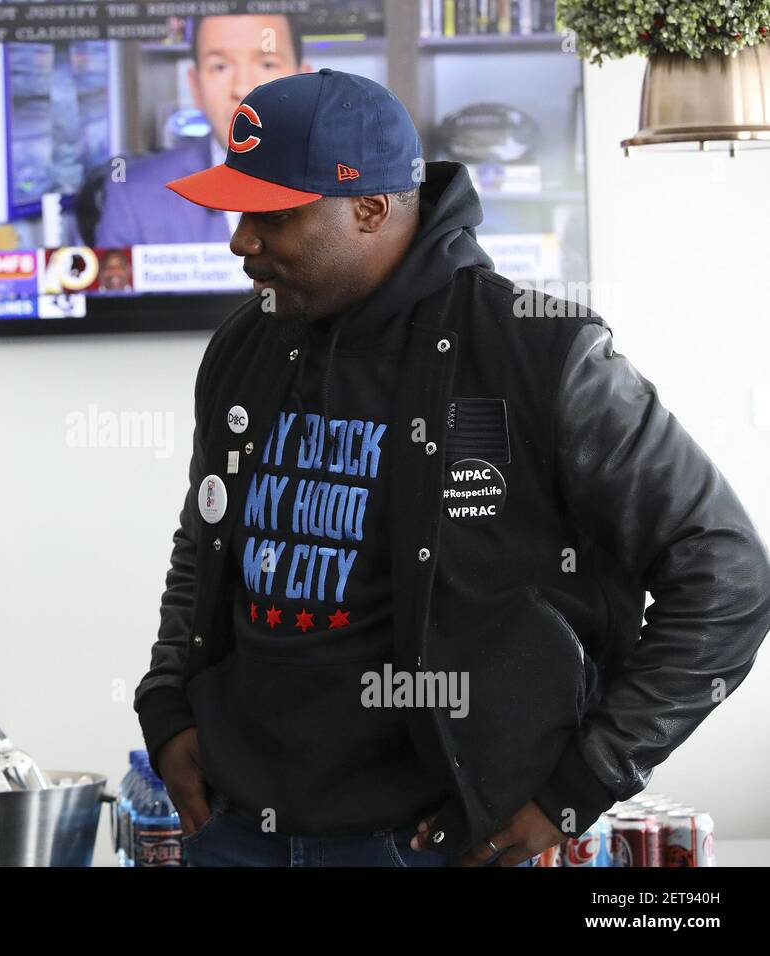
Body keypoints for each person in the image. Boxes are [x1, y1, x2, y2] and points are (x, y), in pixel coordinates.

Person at [134, 70, 770, 867]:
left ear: (370, 208)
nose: (241, 240)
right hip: (233, 829)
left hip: (430, 843)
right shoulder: (247, 342)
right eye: (238, 209)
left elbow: (727, 574)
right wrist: (167, 708)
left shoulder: (541, 355)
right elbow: (207, 538)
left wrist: (581, 784)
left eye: (275, 214)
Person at [93, 13, 312, 248]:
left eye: (267, 64)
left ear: (306, 81)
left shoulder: (350, 189)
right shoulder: (132, 197)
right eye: (220, 66)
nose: (242, 88)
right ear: (195, 86)